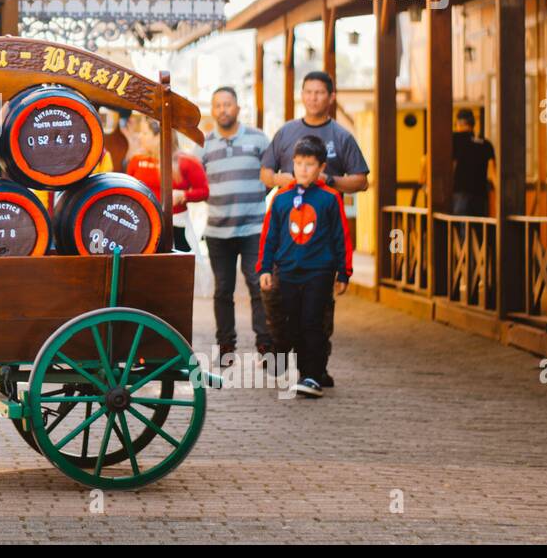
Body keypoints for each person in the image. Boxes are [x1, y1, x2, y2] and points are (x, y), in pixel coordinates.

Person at [260, 71, 368, 387]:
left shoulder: (342, 136)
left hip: (321, 249)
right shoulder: (286, 133)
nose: (313, 97)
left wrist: (328, 181)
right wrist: (291, 183)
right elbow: (266, 174)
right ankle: (288, 360)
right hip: (290, 251)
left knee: (318, 318)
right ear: (302, 95)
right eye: (308, 92)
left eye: (320, 92)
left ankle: (314, 371)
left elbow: (361, 180)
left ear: (330, 96)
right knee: (286, 316)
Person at [256, 136, 352, 398]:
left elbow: (340, 236)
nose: (303, 169)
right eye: (298, 163)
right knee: (293, 323)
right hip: (287, 271)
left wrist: (344, 272)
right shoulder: (281, 199)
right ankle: (305, 374)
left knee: (312, 321)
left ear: (321, 167)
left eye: (309, 164)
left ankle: (313, 374)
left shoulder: (330, 199)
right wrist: (265, 268)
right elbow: (270, 235)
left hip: (319, 271)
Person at [200, 87, 272, 361]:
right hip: (218, 230)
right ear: (212, 109)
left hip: (253, 228)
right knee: (223, 290)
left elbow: (269, 177)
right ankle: (226, 345)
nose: (223, 110)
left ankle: (265, 343)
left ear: (238, 108)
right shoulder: (204, 144)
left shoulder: (258, 139)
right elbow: (197, 180)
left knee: (258, 284)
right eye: (218, 105)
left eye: (227, 104)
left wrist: (252, 198)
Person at [126, 126, 208, 252]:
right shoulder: (136, 160)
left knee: (181, 269)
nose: (140, 136)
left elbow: (204, 192)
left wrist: (183, 195)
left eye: (145, 133)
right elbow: (127, 191)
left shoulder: (187, 162)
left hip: (177, 226)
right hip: (142, 225)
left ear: (159, 137)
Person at [452, 108, 496, 216]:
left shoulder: (454, 139)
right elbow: (493, 173)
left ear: (458, 123)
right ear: (473, 124)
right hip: (481, 194)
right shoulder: (486, 144)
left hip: (460, 193)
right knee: (482, 229)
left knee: (462, 229)